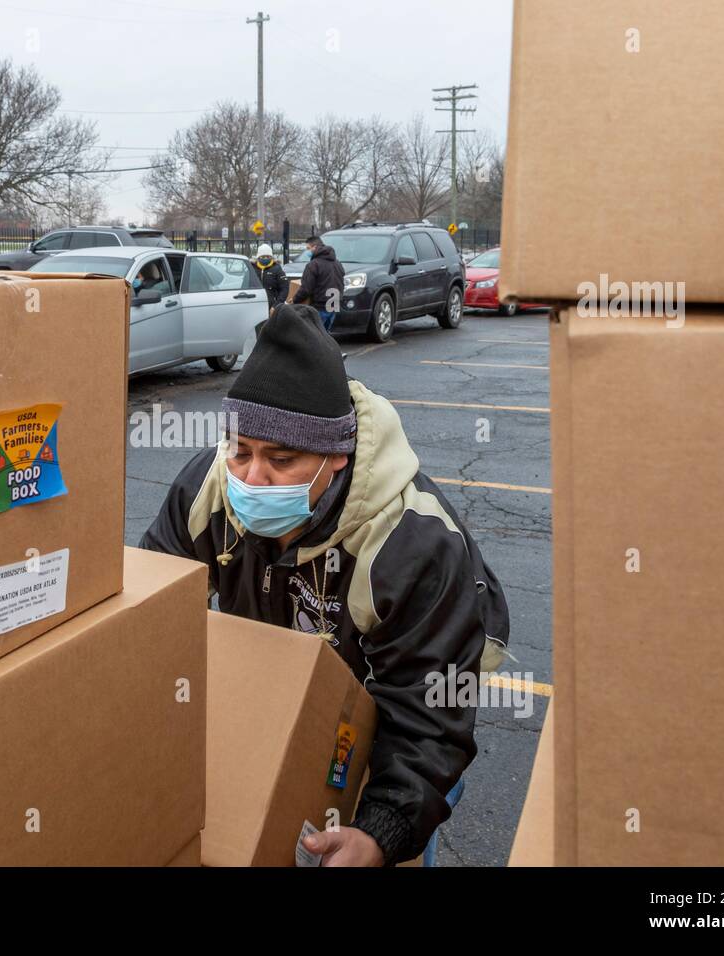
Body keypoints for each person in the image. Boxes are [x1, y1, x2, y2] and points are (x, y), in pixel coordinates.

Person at [140, 303, 510, 867]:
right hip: (280, 698)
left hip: (392, 714)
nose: (252, 478)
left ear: (335, 456)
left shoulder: (413, 546)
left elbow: (429, 717)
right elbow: (152, 612)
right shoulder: (209, 490)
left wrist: (382, 832)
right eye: (240, 451)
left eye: (282, 459)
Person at [293, 234, 345, 331]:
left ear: (315, 247)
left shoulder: (313, 264)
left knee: (315, 334)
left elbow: (306, 289)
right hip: (334, 305)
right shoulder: (337, 263)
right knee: (325, 335)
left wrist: (294, 300)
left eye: (308, 248)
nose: (307, 251)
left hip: (320, 306)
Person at [252, 242, 290, 314]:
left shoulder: (277, 269)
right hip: (255, 305)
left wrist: (276, 306)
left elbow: (284, 289)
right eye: (263, 256)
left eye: (268, 256)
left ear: (271, 257)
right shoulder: (252, 268)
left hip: (272, 307)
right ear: (258, 257)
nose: (265, 258)